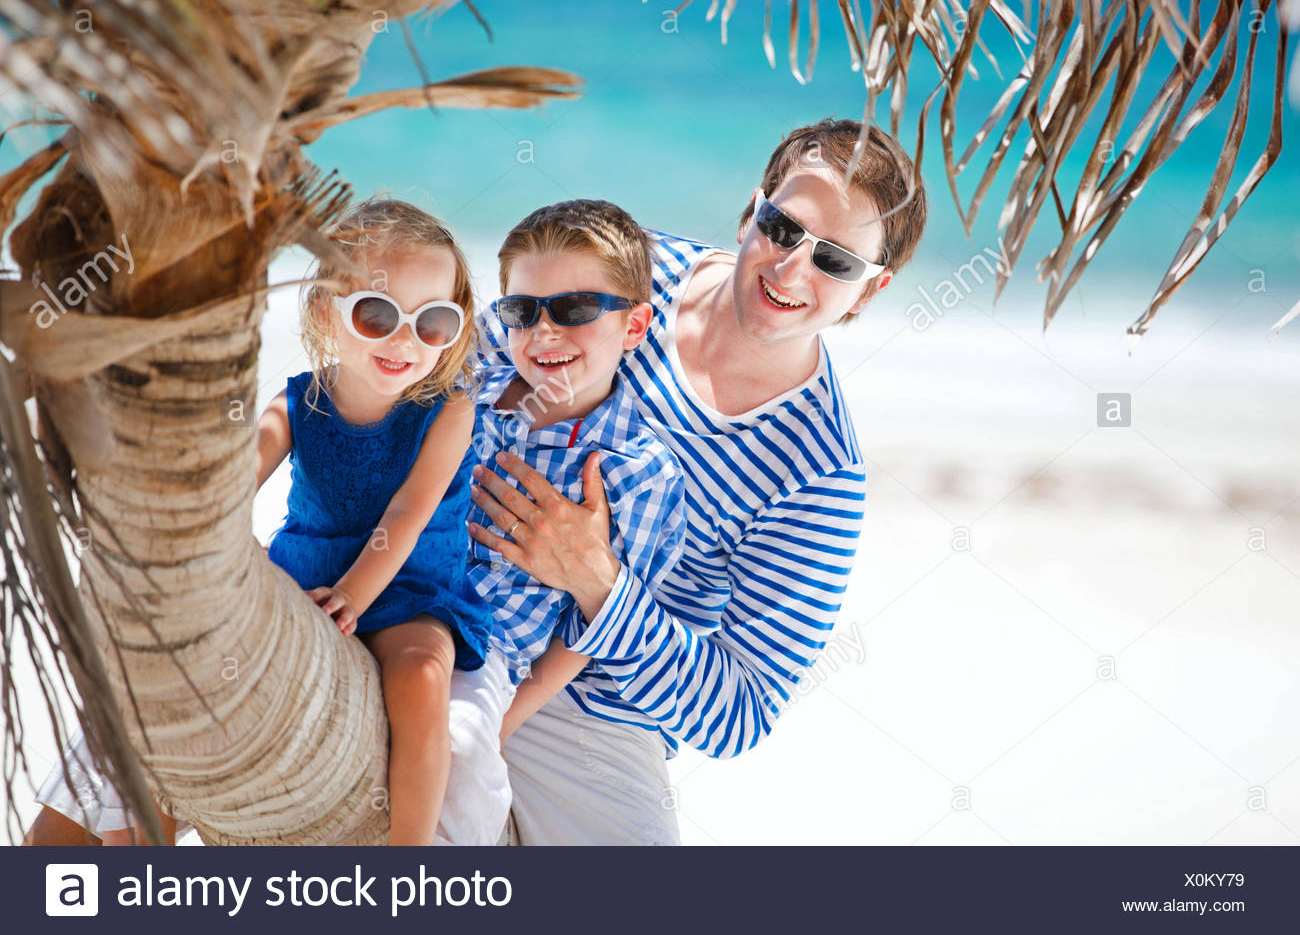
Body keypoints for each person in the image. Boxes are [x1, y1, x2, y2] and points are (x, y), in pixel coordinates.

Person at [469, 119, 928, 844]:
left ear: (872, 290)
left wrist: (599, 585)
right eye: (782, 228)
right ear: (753, 210)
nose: (790, 271)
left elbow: (741, 709)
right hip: (449, 588)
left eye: (836, 261)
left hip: (592, 713)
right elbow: (468, 354)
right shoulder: (629, 270)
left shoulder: (818, 474)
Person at [30, 197, 512, 847]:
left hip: (407, 586)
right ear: (323, 311)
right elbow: (238, 476)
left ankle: (411, 855)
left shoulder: (449, 410)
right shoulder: (299, 400)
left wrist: (353, 597)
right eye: (377, 313)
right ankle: (148, 844)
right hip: (302, 574)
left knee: (424, 674)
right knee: (177, 676)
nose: (406, 339)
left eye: (434, 322)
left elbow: (409, 511)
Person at [465, 200, 686, 760]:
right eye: (522, 310)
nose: (543, 332)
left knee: (457, 763)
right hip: (389, 598)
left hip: (483, 654)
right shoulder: (463, 395)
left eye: (575, 308)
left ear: (633, 325)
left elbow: (587, 631)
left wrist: (503, 724)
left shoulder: (637, 472)